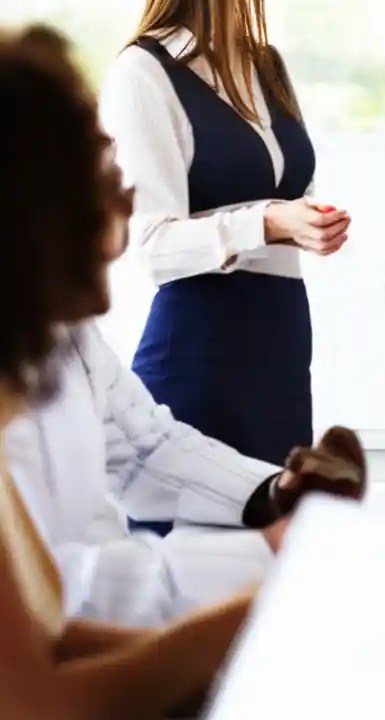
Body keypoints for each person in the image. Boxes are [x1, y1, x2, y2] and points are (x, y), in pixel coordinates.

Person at [0, 26, 253, 717]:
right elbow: (39, 703)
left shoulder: (32, 367)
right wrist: (252, 614)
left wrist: (244, 634)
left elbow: (46, 644)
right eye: (104, 183)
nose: (125, 211)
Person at [98, 0, 352, 482]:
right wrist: (269, 222)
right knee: (186, 542)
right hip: (201, 355)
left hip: (282, 350)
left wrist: (307, 223)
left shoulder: (267, 65)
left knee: (277, 534)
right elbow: (151, 245)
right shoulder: (143, 72)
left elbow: (286, 191)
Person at [3, 319, 368, 627]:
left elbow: (145, 447)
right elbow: (40, 595)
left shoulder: (65, 325)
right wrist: (263, 552)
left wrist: (274, 494)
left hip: (109, 638)